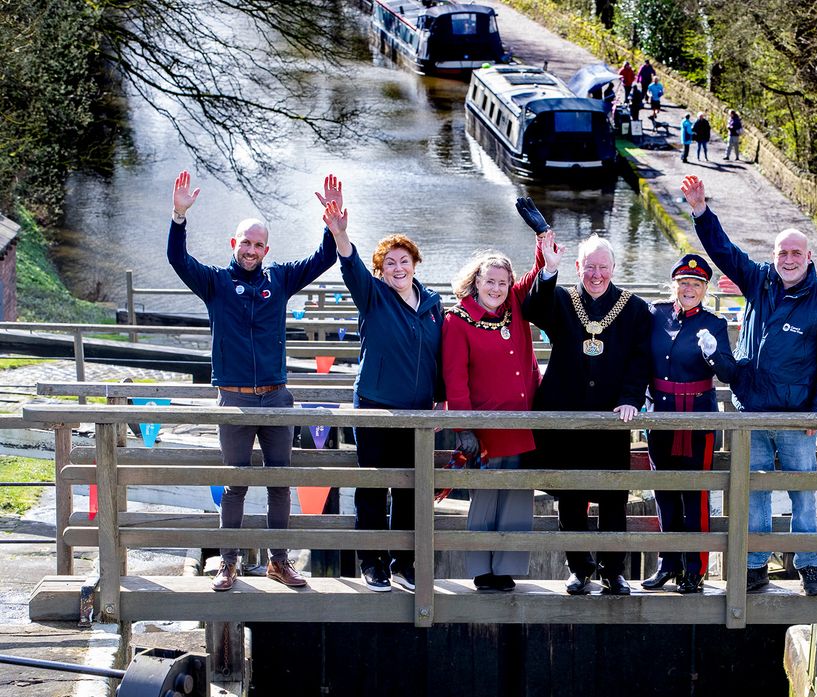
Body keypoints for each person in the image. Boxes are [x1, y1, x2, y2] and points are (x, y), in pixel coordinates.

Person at [680, 174, 817, 596]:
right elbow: (723, 250)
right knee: (753, 491)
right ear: (774, 256)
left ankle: (809, 565)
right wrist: (701, 210)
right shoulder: (759, 280)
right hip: (751, 409)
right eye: (782, 252)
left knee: (802, 494)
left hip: (797, 416)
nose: (788, 258)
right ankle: (755, 565)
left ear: (809, 257)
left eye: (796, 252)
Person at [168, 170, 338, 592]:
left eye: (259, 244)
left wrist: (330, 222)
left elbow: (324, 259)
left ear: (266, 249)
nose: (251, 250)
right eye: (245, 242)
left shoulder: (278, 278)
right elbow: (178, 260)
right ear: (234, 243)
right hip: (235, 400)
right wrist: (178, 215)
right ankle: (229, 562)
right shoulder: (215, 283)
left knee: (280, 483)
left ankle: (279, 562)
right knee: (235, 484)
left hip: (278, 399)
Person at [320, 182, 444, 593]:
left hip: (418, 414)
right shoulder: (372, 296)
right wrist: (340, 234)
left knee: (410, 491)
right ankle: (371, 563)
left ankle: (403, 563)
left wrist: (443, 400)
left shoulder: (433, 306)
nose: (397, 268)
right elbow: (350, 267)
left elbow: (439, 357)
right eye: (388, 263)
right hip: (375, 407)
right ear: (380, 270)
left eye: (403, 261)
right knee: (373, 488)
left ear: (415, 264)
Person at [523, 226, 652, 596]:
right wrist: (548, 270)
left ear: (614, 267)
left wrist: (631, 397)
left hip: (613, 420)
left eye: (603, 267)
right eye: (589, 267)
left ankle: (613, 571)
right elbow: (531, 308)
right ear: (577, 267)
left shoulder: (635, 308)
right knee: (571, 498)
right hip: (565, 419)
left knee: (614, 498)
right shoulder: (560, 300)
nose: (597, 275)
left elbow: (640, 361)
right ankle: (579, 568)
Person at [441, 203, 553, 592]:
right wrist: (464, 429)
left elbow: (543, 270)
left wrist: (542, 234)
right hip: (486, 429)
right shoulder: (457, 321)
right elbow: (455, 382)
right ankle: (481, 569)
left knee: (518, 499)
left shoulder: (516, 306)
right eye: (490, 282)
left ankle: (506, 568)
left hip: (522, 422)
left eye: (502, 283)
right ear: (476, 282)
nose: (496, 288)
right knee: (486, 498)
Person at [642, 254, 736, 594]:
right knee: (664, 491)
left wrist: (713, 354)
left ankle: (694, 569)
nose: (689, 289)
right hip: (661, 416)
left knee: (695, 494)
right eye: (684, 283)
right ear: (674, 286)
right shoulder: (655, 314)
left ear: (705, 289)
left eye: (696, 284)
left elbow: (728, 373)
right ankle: (668, 564)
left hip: (698, 420)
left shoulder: (715, 323)